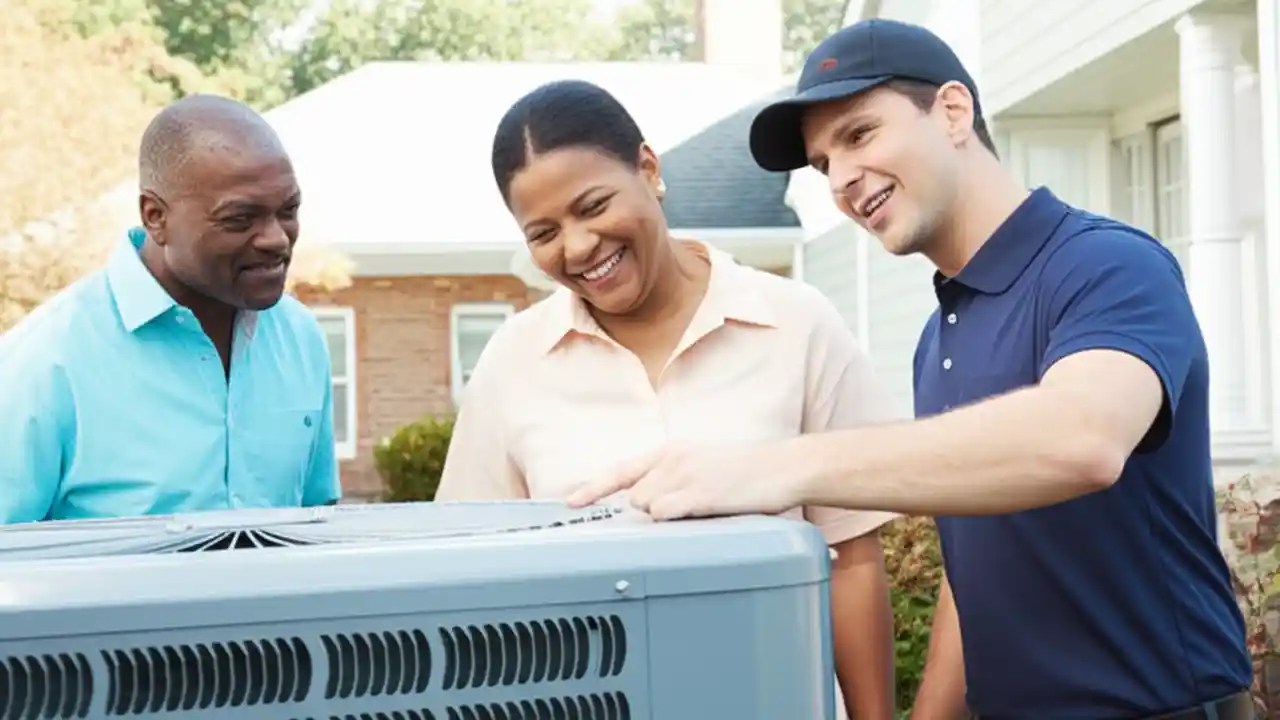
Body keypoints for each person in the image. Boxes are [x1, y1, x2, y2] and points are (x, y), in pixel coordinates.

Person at [569, 19, 1255, 720]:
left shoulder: (1108, 265)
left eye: (860, 134)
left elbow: (1081, 439)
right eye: (823, 161)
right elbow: (979, 558)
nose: (840, 178)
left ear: (953, 112)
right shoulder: (939, 337)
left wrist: (771, 465)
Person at [435, 78, 900, 720]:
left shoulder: (796, 322)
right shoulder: (512, 363)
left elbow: (851, 560)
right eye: (543, 232)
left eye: (593, 205)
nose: (576, 246)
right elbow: (471, 582)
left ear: (648, 170)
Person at [0, 94, 341, 523]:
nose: (276, 238)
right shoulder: (43, 363)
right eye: (240, 219)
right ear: (155, 216)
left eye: (288, 211)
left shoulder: (301, 339)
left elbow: (317, 524)